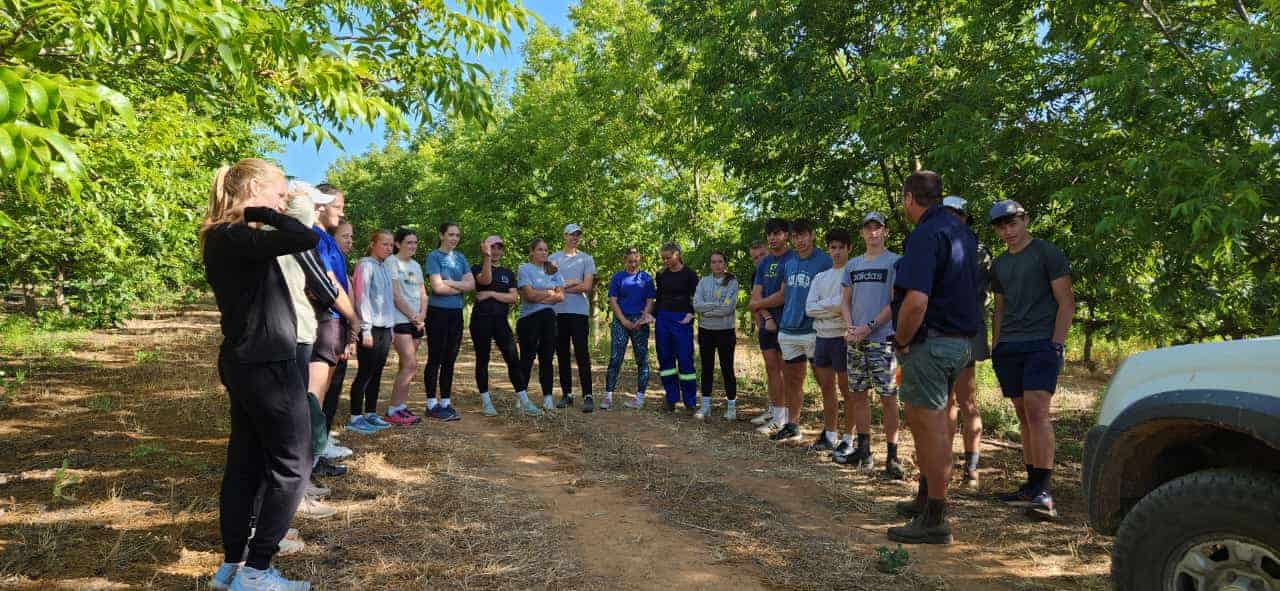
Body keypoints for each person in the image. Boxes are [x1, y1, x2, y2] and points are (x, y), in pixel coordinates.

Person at [201, 158, 316, 590]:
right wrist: (262, 213)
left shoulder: (228, 237)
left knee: (246, 463)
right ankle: (257, 570)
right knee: (293, 464)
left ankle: (232, 567)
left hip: (248, 361)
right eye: (278, 189)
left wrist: (258, 215)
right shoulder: (234, 235)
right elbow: (304, 236)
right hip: (266, 364)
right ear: (252, 186)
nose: (283, 198)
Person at [887, 170, 979, 546]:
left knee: (929, 427)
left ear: (910, 197)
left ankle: (936, 517)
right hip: (961, 342)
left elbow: (916, 300)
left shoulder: (925, 234)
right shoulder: (963, 232)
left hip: (931, 342)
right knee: (939, 420)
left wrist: (902, 340)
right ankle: (926, 495)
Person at [989, 199, 1075, 520]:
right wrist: (996, 345)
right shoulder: (998, 265)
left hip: (1041, 343)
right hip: (1009, 346)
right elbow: (999, 309)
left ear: (1025, 220)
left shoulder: (1046, 253)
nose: (1008, 231)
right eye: (1001, 226)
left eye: (1013, 223)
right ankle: (1030, 484)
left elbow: (1066, 302)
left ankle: (1045, 492)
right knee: (1023, 414)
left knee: (1039, 412)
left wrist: (1056, 344)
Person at [834, 212, 904, 478]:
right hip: (855, 341)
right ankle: (864, 451)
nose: (873, 233)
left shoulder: (895, 262)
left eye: (878, 228)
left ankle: (893, 456)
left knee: (888, 398)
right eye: (868, 228)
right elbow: (845, 300)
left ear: (885, 231)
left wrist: (869, 327)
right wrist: (851, 326)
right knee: (858, 396)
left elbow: (894, 303)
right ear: (862, 233)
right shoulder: (852, 265)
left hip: (883, 340)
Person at [768, 219, 832, 442]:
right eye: (795, 237)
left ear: (812, 235)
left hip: (814, 329)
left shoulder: (824, 261)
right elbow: (785, 293)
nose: (799, 241)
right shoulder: (789, 262)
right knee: (792, 380)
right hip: (789, 329)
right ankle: (793, 424)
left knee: (824, 381)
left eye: (803, 235)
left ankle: (830, 430)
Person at [308, 185, 357, 464]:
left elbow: (341, 283)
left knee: (325, 392)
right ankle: (309, 461)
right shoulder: (316, 238)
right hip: (326, 319)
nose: (341, 212)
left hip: (335, 320)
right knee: (315, 393)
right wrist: (353, 317)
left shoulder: (326, 239)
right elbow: (329, 284)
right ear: (321, 205)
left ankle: (316, 452)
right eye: (338, 206)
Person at [942, 196, 989, 488]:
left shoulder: (978, 250)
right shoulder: (938, 246)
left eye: (955, 213)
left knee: (966, 400)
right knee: (945, 402)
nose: (950, 218)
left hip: (966, 332)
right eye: (945, 213)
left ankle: (972, 468)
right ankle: (943, 463)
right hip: (939, 333)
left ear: (964, 216)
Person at [804, 229, 852, 451]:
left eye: (841, 247)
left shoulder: (852, 273)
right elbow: (809, 308)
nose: (837, 252)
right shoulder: (820, 277)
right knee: (826, 388)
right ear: (828, 249)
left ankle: (848, 438)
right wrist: (835, 306)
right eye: (833, 247)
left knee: (848, 389)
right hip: (822, 337)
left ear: (849, 249)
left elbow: (848, 304)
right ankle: (830, 434)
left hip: (843, 337)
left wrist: (831, 306)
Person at [747, 219, 795, 432]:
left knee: (787, 370)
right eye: (770, 234)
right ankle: (776, 415)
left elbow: (783, 296)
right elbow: (755, 295)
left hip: (788, 323)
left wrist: (759, 305)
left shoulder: (792, 259)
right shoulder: (764, 264)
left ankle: (788, 418)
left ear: (786, 235)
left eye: (777, 233)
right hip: (768, 325)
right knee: (771, 368)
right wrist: (766, 316)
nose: (773, 237)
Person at [424, 222, 474, 421]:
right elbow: (437, 288)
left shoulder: (460, 257)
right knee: (435, 357)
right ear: (442, 235)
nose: (454, 238)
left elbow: (471, 284)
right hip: (437, 313)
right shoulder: (434, 257)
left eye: (457, 235)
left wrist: (451, 283)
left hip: (455, 313)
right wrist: (460, 287)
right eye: (451, 234)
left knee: (450, 359)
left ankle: (445, 401)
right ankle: (431, 403)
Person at [348, 230, 396, 434]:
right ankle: (355, 416)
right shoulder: (365, 266)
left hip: (384, 327)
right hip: (371, 328)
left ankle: (371, 412)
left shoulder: (384, 267)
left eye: (391, 245)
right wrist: (365, 329)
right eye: (384, 244)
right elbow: (362, 298)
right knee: (365, 372)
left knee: (377, 372)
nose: (388, 248)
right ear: (373, 243)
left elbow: (388, 300)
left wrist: (391, 327)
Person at [471, 235, 525, 417]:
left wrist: (491, 294)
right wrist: (486, 258)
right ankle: (486, 402)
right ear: (485, 248)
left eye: (498, 248)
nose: (495, 251)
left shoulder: (507, 273)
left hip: (501, 320)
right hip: (481, 320)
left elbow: (513, 298)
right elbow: (484, 280)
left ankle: (523, 399)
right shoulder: (477, 268)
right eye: (492, 247)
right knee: (483, 359)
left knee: (512, 357)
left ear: (502, 251)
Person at [550, 224, 597, 411]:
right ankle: (567, 394)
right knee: (562, 354)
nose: (575, 238)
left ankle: (588, 395)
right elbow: (551, 285)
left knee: (582, 354)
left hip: (579, 312)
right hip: (558, 312)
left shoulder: (586, 259)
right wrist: (573, 282)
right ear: (564, 236)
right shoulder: (553, 259)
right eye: (571, 235)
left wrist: (564, 285)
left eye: (578, 235)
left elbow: (587, 287)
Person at [384, 228, 427, 426]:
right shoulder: (391, 262)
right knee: (410, 365)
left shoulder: (416, 265)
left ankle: (401, 406)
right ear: (398, 244)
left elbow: (422, 293)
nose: (413, 246)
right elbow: (395, 295)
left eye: (415, 243)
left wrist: (422, 316)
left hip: (417, 321)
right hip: (401, 319)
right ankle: (393, 409)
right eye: (409, 242)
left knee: (406, 366)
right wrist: (412, 316)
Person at [517, 238, 565, 414]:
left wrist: (542, 295)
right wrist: (549, 293)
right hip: (529, 319)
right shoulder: (524, 269)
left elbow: (561, 297)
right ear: (532, 251)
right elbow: (528, 295)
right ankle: (521, 399)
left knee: (547, 358)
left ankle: (547, 398)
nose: (543, 253)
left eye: (546, 250)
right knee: (527, 358)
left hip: (548, 319)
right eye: (539, 250)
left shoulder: (553, 271)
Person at [608, 247, 656, 411]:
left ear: (639, 259)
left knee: (642, 360)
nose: (633, 264)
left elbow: (650, 300)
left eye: (636, 261)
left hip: (640, 322)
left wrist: (643, 318)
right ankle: (608, 396)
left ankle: (640, 398)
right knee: (615, 358)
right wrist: (623, 320)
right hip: (621, 321)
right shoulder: (618, 277)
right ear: (625, 260)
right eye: (630, 261)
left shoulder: (646, 278)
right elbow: (613, 300)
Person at [320, 216, 355, 439]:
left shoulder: (342, 261)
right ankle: (319, 440)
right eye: (345, 236)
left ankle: (324, 434)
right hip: (330, 323)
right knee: (325, 386)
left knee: (336, 384)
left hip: (342, 324)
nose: (350, 241)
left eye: (351, 236)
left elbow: (349, 295)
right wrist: (354, 320)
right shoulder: (327, 255)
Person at [693, 251, 738, 420]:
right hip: (706, 331)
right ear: (710, 264)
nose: (717, 265)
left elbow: (728, 308)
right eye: (713, 262)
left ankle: (731, 407)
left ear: (725, 263)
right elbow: (697, 305)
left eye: (720, 261)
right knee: (706, 368)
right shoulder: (704, 282)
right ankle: (705, 406)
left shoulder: (732, 282)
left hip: (725, 331)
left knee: (727, 368)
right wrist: (714, 305)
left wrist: (708, 311)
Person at [655, 243, 700, 412]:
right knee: (665, 358)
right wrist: (652, 314)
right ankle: (671, 398)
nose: (666, 261)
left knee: (685, 359)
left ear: (678, 254)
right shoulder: (661, 275)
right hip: (663, 318)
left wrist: (691, 313)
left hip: (682, 319)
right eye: (663, 258)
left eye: (668, 257)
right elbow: (659, 297)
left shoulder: (690, 274)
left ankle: (690, 401)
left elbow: (695, 297)